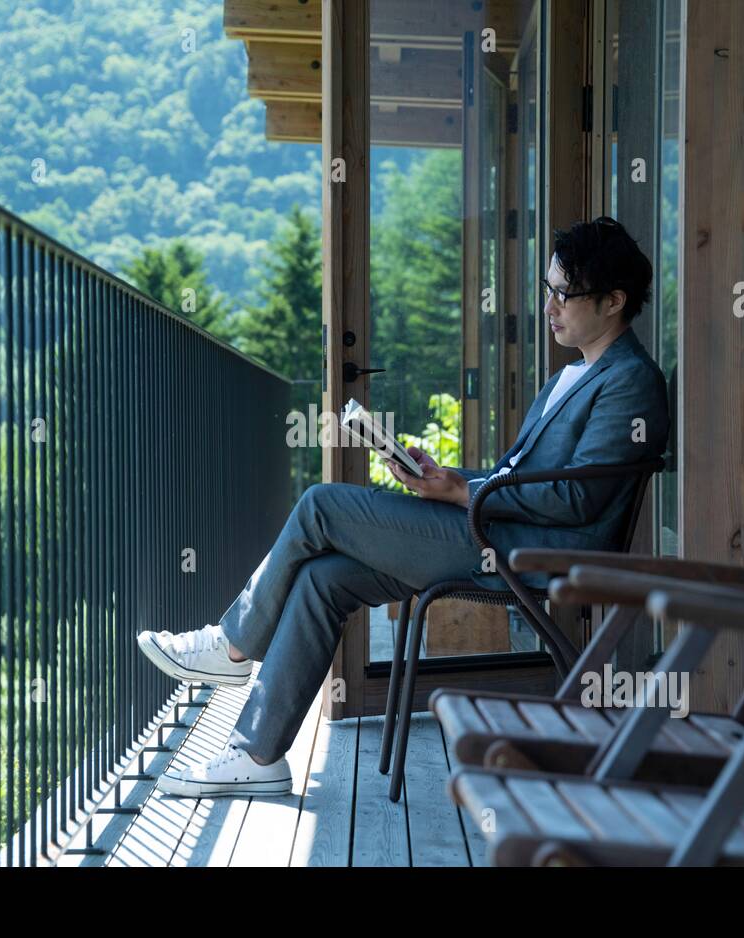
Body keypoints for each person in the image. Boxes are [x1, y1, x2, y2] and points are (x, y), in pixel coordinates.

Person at [136, 216, 670, 797]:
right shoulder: (573, 373)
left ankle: (233, 645)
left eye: (564, 295)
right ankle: (257, 753)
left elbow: (576, 497)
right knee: (323, 576)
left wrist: (466, 492)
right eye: (548, 290)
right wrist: (447, 479)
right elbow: (519, 476)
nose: (550, 308)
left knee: (322, 506)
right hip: (493, 525)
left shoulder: (631, 382)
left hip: (529, 550)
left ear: (615, 301)